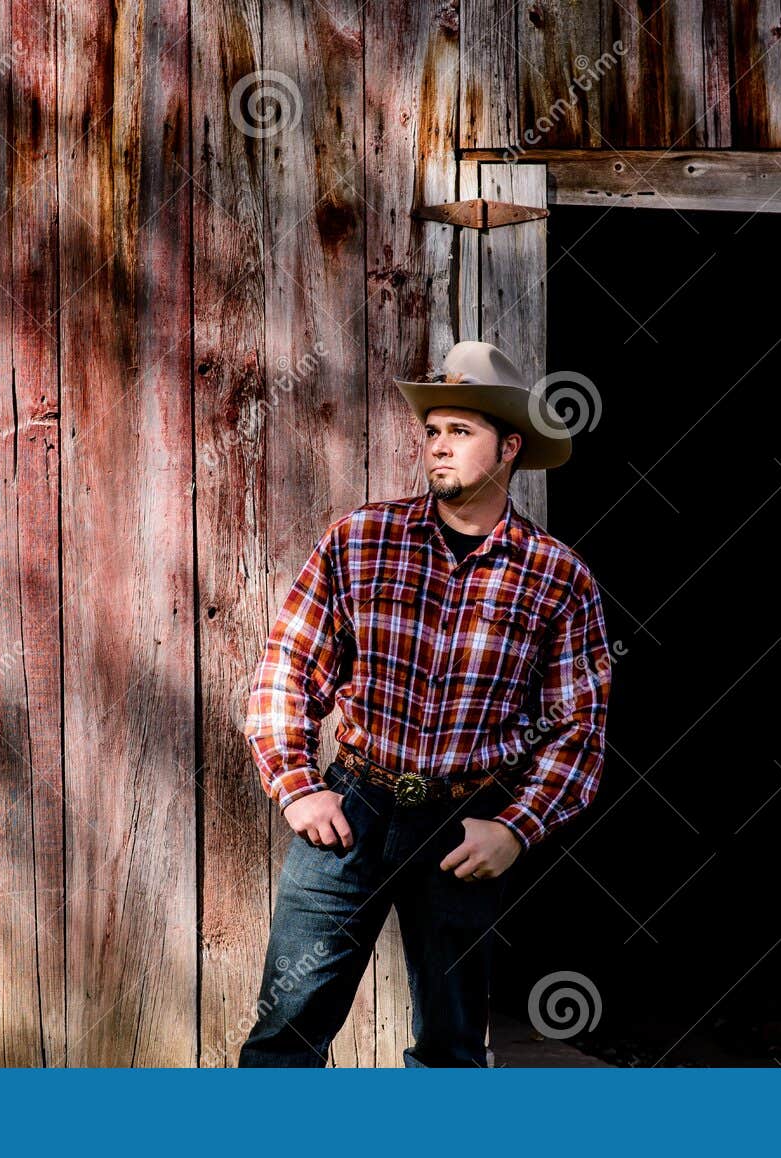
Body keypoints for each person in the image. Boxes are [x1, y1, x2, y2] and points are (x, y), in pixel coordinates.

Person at [237, 339, 611, 1067]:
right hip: (352, 811)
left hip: (463, 826)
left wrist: (516, 829)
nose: (439, 447)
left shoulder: (557, 577)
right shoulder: (360, 540)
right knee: (285, 1032)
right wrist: (297, 788)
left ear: (508, 448)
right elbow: (287, 667)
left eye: (460, 433)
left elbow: (578, 729)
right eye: (432, 431)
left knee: (452, 1049)